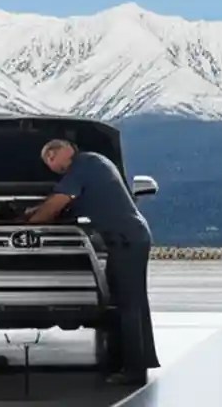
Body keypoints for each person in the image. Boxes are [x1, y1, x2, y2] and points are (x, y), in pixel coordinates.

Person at [26, 139, 160, 385]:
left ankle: (133, 370)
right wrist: (36, 209)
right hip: (127, 238)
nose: (51, 167)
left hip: (126, 240)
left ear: (61, 152)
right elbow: (67, 206)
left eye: (50, 159)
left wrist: (26, 224)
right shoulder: (93, 164)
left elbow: (55, 205)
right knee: (129, 302)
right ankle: (131, 361)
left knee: (129, 304)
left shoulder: (83, 165)